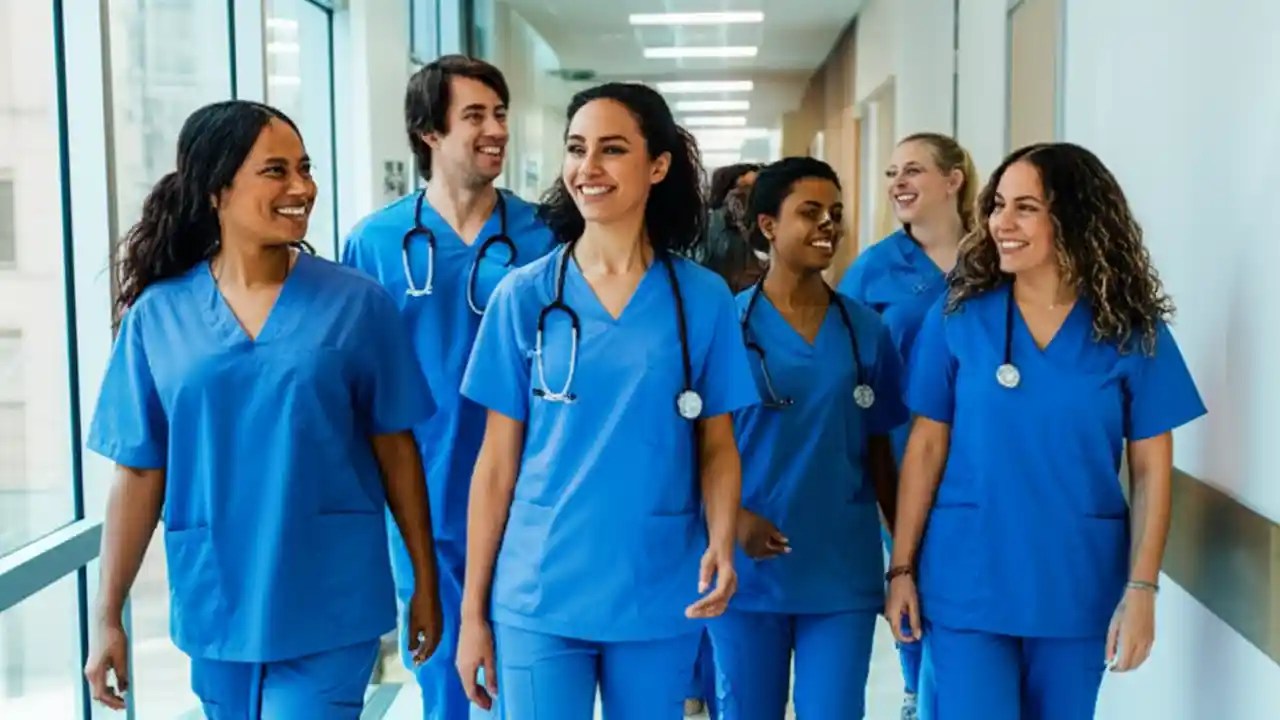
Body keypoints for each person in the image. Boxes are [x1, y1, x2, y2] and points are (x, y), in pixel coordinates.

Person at [82, 100, 442, 719]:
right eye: (275, 171)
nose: (301, 187)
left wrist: (426, 584)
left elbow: (398, 453)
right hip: (216, 602)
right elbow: (139, 473)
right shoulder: (158, 316)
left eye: (304, 168)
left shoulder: (358, 305)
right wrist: (107, 615)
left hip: (329, 600)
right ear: (216, 189)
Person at [454, 82, 759, 719]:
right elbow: (495, 467)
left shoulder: (699, 300)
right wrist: (472, 612)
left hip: (654, 584)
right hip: (539, 590)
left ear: (657, 165)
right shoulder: (525, 296)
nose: (587, 168)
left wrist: (723, 542)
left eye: (611, 149)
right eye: (576, 148)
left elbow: (718, 448)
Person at [885, 142, 1207, 719]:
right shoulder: (959, 316)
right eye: (999, 205)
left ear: (1074, 218)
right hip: (968, 580)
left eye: (1026, 208)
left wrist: (1142, 591)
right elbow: (926, 447)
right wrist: (902, 567)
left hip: (1075, 584)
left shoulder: (1131, 330)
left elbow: (1152, 470)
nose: (1001, 223)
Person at [340, 55, 555, 720]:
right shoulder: (375, 242)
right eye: (475, 116)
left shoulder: (544, 236)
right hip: (419, 497)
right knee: (442, 684)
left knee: (522, 678)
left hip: (524, 495)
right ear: (429, 131)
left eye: (500, 115)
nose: (496, 130)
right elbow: (352, 376)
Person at [705, 156, 906, 719]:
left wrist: (906, 561)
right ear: (768, 225)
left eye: (835, 214)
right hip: (744, 569)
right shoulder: (723, 325)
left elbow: (881, 453)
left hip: (840, 567)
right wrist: (733, 520)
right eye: (810, 212)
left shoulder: (865, 329)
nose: (828, 226)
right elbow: (692, 447)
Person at [838, 132, 978, 720]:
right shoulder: (872, 272)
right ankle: (917, 694)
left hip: (982, 456)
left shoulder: (998, 259)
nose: (898, 181)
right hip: (900, 458)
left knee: (968, 592)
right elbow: (842, 363)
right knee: (909, 577)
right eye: (892, 171)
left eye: (914, 170)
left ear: (954, 180)